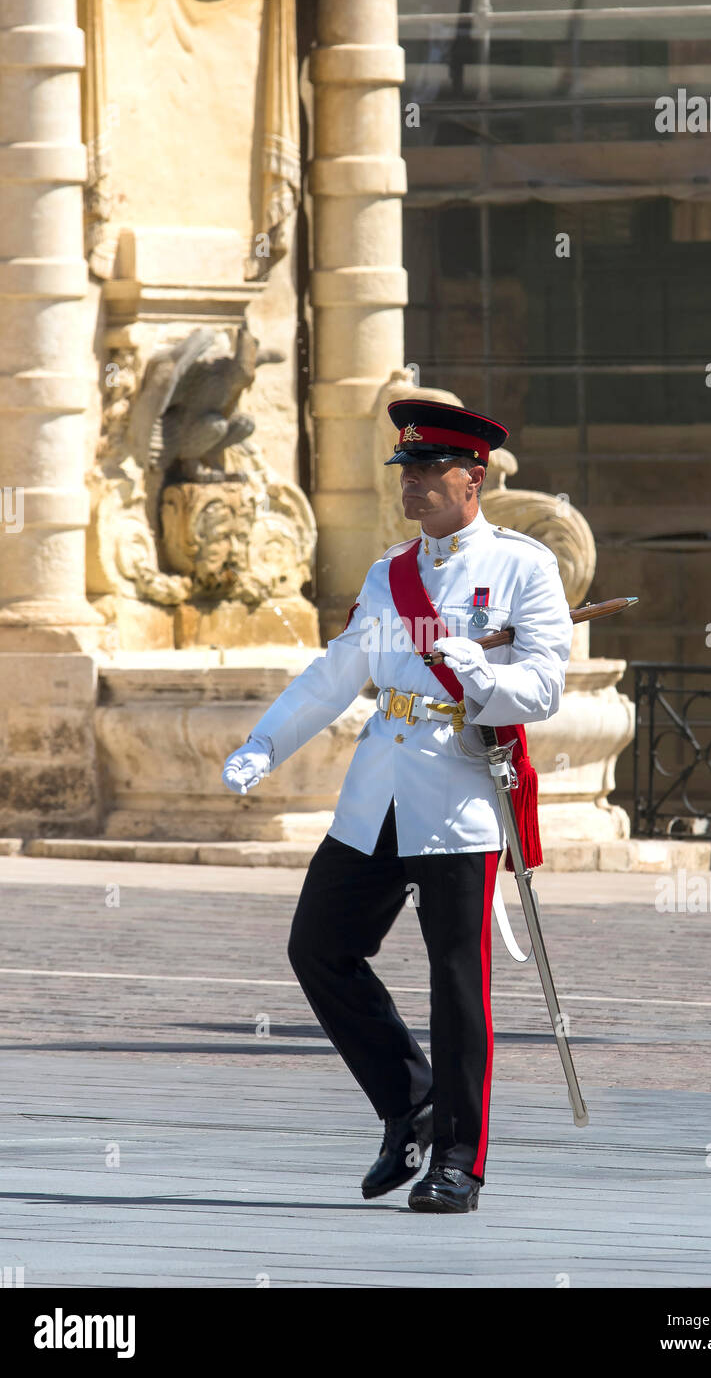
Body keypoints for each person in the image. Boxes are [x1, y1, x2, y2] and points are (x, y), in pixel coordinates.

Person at [222, 399, 573, 1213]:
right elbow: (338, 671)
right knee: (319, 947)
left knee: (456, 982)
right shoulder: (390, 572)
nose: (410, 485)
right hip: (377, 790)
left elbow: (544, 686)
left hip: (456, 790)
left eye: (425, 471)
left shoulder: (524, 567)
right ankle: (406, 1102)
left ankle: (459, 1158)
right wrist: (266, 742)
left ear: (471, 477)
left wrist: (477, 672)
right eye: (404, 471)